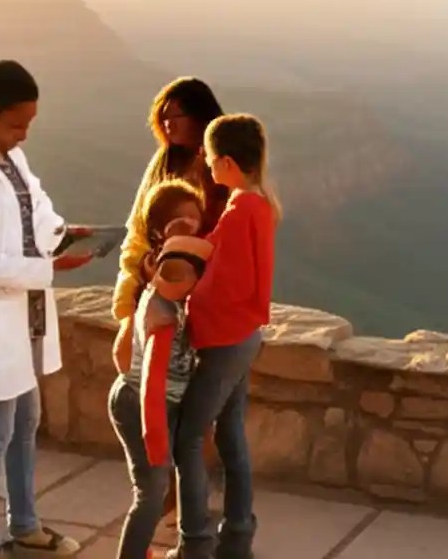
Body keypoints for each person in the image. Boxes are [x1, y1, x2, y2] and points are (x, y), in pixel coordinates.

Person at [0, 59, 93, 557]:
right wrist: (51, 269)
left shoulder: (10, 159)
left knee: (27, 420)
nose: (23, 135)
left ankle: (26, 524)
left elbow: (37, 206)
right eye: (15, 124)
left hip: (25, 314)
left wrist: (64, 232)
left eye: (29, 124)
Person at [157, 114, 280, 559]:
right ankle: (237, 538)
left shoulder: (242, 207)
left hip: (225, 341)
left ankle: (195, 545)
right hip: (243, 336)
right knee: (230, 437)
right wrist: (193, 240)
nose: (207, 169)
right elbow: (222, 254)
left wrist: (180, 293)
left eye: (211, 161)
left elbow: (222, 281)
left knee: (188, 438)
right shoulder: (257, 203)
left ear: (227, 161)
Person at [109, 180, 208, 559]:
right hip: (142, 402)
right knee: (150, 491)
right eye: (181, 226)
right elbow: (151, 381)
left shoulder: (163, 291)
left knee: (151, 488)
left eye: (195, 223)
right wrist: (157, 440)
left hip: (144, 399)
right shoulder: (163, 315)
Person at [112, 77, 227, 374]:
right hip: (157, 294)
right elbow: (137, 236)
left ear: (200, 116)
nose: (167, 125)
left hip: (205, 304)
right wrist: (126, 312)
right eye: (162, 118)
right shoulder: (161, 165)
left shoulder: (222, 168)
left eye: (176, 116)